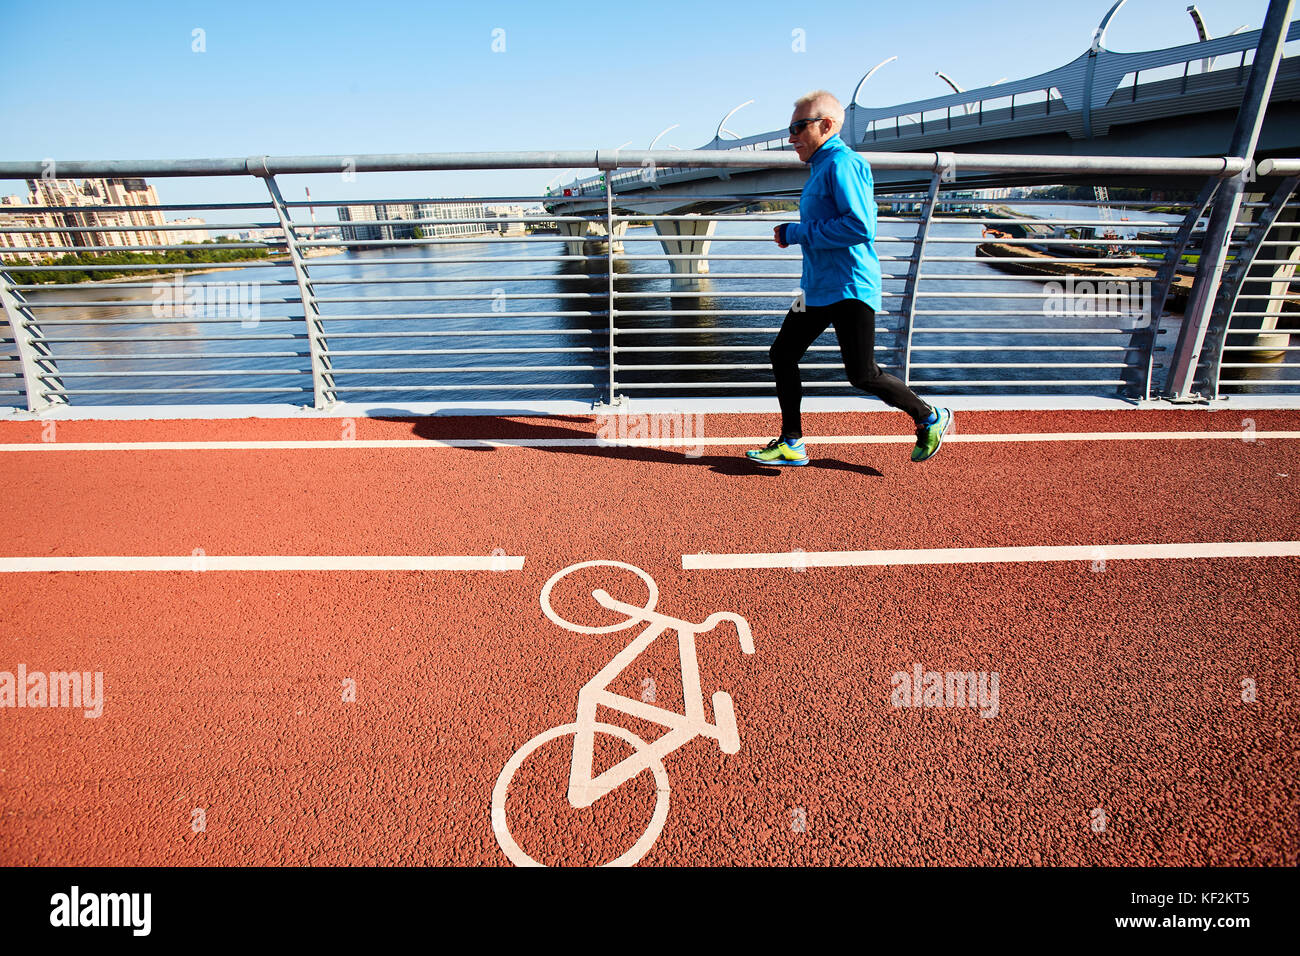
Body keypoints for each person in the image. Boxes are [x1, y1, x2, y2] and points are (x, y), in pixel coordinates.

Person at [746, 90, 952, 467]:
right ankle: (792, 442)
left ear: (826, 126)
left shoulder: (843, 164)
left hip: (850, 288)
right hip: (819, 289)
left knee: (862, 374)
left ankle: (929, 416)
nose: (790, 137)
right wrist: (796, 232)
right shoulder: (821, 167)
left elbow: (860, 227)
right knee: (783, 354)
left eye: (797, 128)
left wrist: (795, 232)